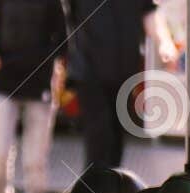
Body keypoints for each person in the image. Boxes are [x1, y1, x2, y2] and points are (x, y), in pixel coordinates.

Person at [0, 0, 69, 193]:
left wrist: (50, 69)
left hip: (39, 86)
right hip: (5, 84)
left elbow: (63, 42)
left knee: (34, 161)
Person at [67, 0, 176, 168]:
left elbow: (149, 11)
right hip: (90, 72)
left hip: (123, 73)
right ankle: (96, 190)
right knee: (99, 141)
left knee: (116, 144)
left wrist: (164, 43)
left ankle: (109, 188)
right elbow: (65, 15)